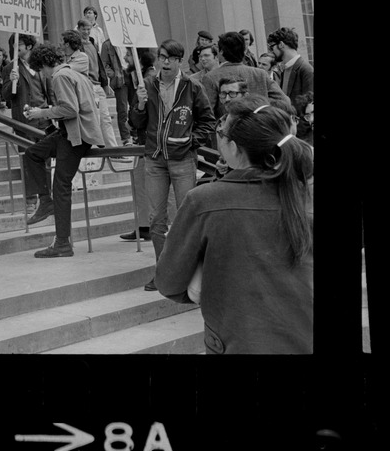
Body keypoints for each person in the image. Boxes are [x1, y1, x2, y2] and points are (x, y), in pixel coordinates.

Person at [156, 96, 313, 353]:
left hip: (236, 339)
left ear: (234, 146)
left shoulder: (203, 201)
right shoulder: (304, 194)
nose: (218, 136)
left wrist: (207, 283)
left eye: (220, 131)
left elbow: (169, 282)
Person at [129, 38, 215, 290]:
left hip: (182, 159)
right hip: (154, 159)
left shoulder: (192, 86)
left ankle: (189, 271)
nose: (164, 62)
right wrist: (141, 104)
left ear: (179, 61)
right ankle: (162, 271)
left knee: (185, 216)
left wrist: (191, 141)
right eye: (161, 57)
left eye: (170, 58)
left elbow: (207, 121)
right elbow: (135, 123)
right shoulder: (147, 85)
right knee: (156, 218)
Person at [22, 34, 104, 257]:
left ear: (44, 65)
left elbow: (70, 109)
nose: (43, 75)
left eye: (41, 70)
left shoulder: (59, 76)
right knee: (32, 154)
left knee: (61, 185)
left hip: (76, 136)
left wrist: (42, 112)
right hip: (71, 133)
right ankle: (46, 202)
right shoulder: (72, 71)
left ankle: (62, 243)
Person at [201, 31, 290, 119]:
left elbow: (207, 114)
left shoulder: (210, 77)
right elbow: (284, 101)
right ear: (244, 51)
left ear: (221, 52)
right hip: (261, 127)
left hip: (229, 130)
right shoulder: (260, 74)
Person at [118, 48, 156, 242]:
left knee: (142, 184)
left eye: (128, 55)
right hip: (146, 140)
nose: (124, 59)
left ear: (138, 59)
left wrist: (132, 120)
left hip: (147, 142)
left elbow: (139, 115)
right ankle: (144, 225)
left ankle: (146, 226)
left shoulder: (147, 81)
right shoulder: (145, 79)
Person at [266, 27, 314, 143]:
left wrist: (295, 135)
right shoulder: (285, 69)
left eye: (272, 47)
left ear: (281, 44)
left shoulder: (306, 69)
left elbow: (309, 108)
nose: (271, 52)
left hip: (301, 138)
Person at [77, 18, 119, 148]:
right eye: (84, 29)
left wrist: (105, 83)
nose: (86, 32)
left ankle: (113, 149)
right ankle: (95, 149)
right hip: (87, 85)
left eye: (88, 29)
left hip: (98, 85)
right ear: (78, 29)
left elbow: (100, 64)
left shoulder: (93, 42)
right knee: (94, 120)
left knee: (105, 119)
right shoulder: (76, 46)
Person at [4, 33, 54, 139]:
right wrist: (14, 82)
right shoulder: (10, 68)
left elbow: (50, 92)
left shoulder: (42, 65)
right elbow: (6, 96)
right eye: (14, 44)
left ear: (29, 46)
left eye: (19, 44)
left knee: (47, 154)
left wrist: (54, 113)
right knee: (27, 154)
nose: (15, 47)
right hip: (24, 121)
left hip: (44, 119)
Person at [101, 36, 132, 146]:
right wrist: (112, 74)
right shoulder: (107, 45)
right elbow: (104, 64)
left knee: (135, 105)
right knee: (122, 108)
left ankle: (136, 134)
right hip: (119, 78)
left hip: (132, 75)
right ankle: (126, 138)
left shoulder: (129, 40)